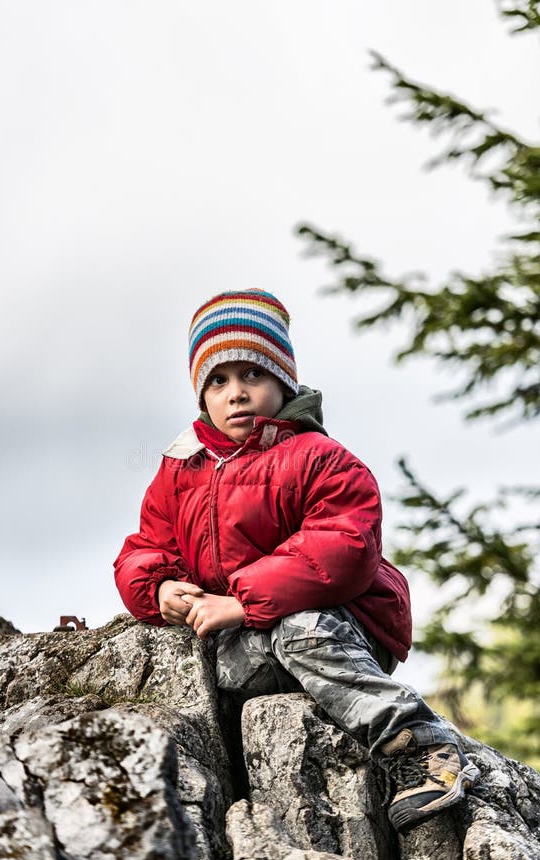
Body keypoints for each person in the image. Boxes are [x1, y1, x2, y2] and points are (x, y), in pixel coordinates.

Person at [114, 288, 480, 831]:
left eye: (252, 376)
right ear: (201, 395)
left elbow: (343, 547)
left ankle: (420, 746)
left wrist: (239, 601)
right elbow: (146, 546)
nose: (236, 394)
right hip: (250, 630)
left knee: (300, 629)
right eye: (218, 380)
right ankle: (230, 786)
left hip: (341, 622)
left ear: (282, 381)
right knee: (189, 661)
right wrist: (162, 587)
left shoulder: (317, 457)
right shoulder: (181, 470)